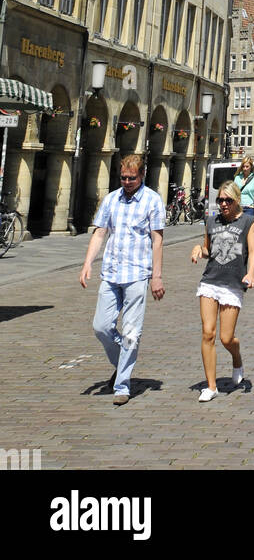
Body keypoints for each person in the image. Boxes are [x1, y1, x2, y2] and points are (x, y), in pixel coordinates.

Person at [79, 153, 165, 405]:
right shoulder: (111, 199)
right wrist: (87, 263)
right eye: (123, 177)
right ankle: (123, 360)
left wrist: (156, 277)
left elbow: (157, 240)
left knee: (131, 332)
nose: (127, 182)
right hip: (111, 272)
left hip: (137, 274)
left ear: (142, 175)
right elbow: (99, 233)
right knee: (101, 326)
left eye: (132, 178)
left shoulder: (152, 200)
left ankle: (122, 386)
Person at [191, 181, 254, 402]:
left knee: (226, 338)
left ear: (237, 200)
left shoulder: (247, 222)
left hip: (233, 283)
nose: (223, 204)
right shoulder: (211, 221)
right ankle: (211, 386)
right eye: (220, 200)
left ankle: (236, 359)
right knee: (207, 333)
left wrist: (251, 273)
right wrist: (198, 249)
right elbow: (208, 249)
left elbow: (253, 252)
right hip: (210, 281)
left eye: (228, 200)